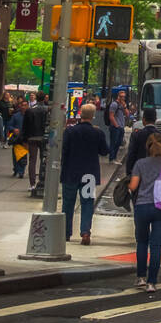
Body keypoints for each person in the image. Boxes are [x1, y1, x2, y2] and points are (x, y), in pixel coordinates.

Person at [129, 132, 161, 293]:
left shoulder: (140, 164)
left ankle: (140, 277)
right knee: (156, 245)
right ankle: (152, 282)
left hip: (142, 206)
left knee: (142, 242)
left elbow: (133, 186)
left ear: (147, 147)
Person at [61, 103, 109, 245]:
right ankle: (85, 232)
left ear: (80, 114)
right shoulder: (98, 133)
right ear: (93, 116)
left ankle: (65, 233)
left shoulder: (70, 132)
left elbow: (64, 151)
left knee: (68, 204)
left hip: (71, 172)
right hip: (89, 174)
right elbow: (104, 151)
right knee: (87, 203)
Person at [125, 108, 161, 175]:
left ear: (143, 120)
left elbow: (131, 155)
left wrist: (129, 173)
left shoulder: (136, 135)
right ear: (155, 120)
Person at [20, 92, 49, 195]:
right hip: (43, 137)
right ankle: (42, 179)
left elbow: (25, 126)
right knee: (43, 159)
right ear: (44, 98)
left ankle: (32, 183)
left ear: (36, 98)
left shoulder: (30, 110)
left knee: (32, 160)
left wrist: (24, 139)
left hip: (32, 137)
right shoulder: (47, 109)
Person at [107, 91, 127, 163]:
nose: (123, 98)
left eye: (124, 96)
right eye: (121, 96)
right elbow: (111, 116)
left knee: (118, 143)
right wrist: (116, 125)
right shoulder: (114, 104)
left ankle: (115, 157)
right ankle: (111, 158)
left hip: (121, 126)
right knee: (114, 142)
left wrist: (124, 106)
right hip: (116, 127)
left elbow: (127, 114)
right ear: (118, 96)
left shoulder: (122, 105)